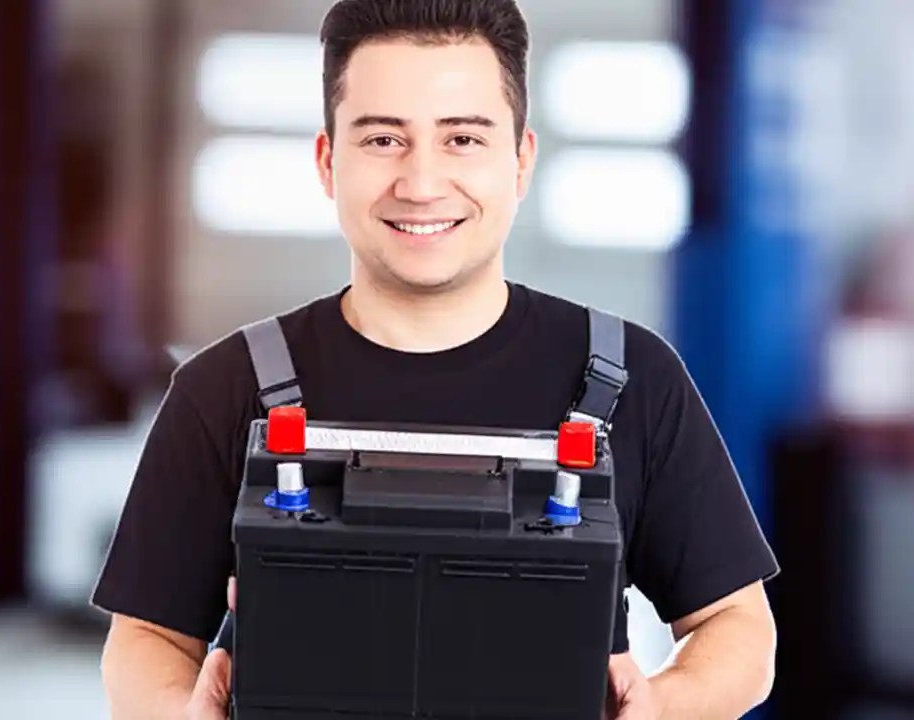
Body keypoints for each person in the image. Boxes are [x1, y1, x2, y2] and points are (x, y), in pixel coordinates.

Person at [94, 1, 779, 718]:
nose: (421, 183)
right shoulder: (225, 389)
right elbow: (146, 637)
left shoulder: (630, 380)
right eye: (384, 139)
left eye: (461, 139)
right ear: (329, 161)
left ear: (521, 160)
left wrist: (662, 708)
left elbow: (737, 627)